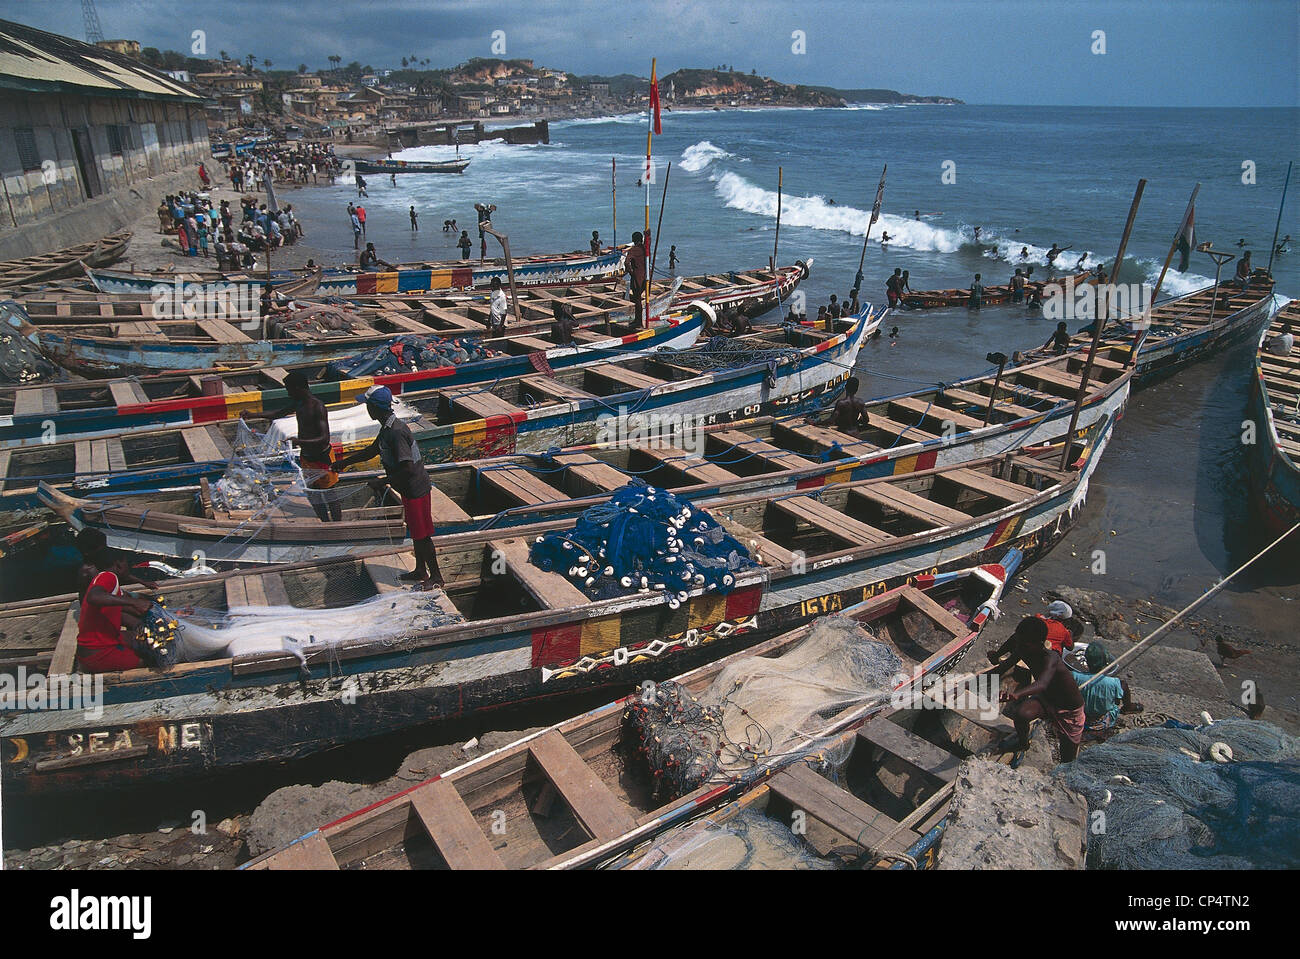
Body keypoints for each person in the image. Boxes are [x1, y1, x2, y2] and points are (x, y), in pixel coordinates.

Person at [334, 387, 444, 588]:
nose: (366, 409)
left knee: (422, 534)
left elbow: (408, 469)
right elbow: (371, 451)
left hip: (415, 489)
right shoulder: (387, 428)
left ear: (374, 409)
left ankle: (436, 576)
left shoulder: (396, 432)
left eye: (367, 405)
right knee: (415, 531)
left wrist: (383, 481)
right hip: (407, 489)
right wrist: (343, 463)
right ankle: (420, 570)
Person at [997, 616, 1086, 762]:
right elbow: (1003, 667)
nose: (1018, 645)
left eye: (1023, 643)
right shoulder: (1022, 649)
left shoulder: (1051, 658)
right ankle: (1023, 743)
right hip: (1046, 699)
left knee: (1067, 757)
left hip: (1069, 709)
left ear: (1038, 643)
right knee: (1021, 714)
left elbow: (1042, 683)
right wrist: (969, 683)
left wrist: (1016, 694)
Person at [264, 370, 342, 522]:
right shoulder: (299, 404)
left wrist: (300, 442)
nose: (288, 393)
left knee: (329, 494)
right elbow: (278, 413)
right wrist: (252, 415)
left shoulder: (317, 407)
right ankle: (325, 523)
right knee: (313, 493)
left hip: (322, 458)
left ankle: (337, 525)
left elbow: (324, 438)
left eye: (289, 389)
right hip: (307, 457)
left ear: (298, 388)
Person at [76, 548, 154, 673]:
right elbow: (93, 597)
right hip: (98, 656)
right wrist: (135, 602)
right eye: (126, 563)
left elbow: (120, 613)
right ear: (119, 565)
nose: (128, 568)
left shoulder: (104, 581)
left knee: (136, 637)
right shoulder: (108, 577)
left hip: (87, 650)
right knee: (153, 659)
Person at [1069, 640, 1143, 737]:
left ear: (1086, 661)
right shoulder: (1117, 684)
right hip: (1101, 721)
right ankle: (1128, 708)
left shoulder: (1074, 677)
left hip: (1079, 718)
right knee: (1117, 696)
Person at [626, 230, 647, 322]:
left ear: (633, 240)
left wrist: (631, 273)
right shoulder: (645, 248)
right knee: (639, 298)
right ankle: (638, 320)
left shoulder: (633, 250)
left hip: (637, 278)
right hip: (646, 277)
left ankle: (638, 321)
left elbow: (626, 263)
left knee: (637, 299)